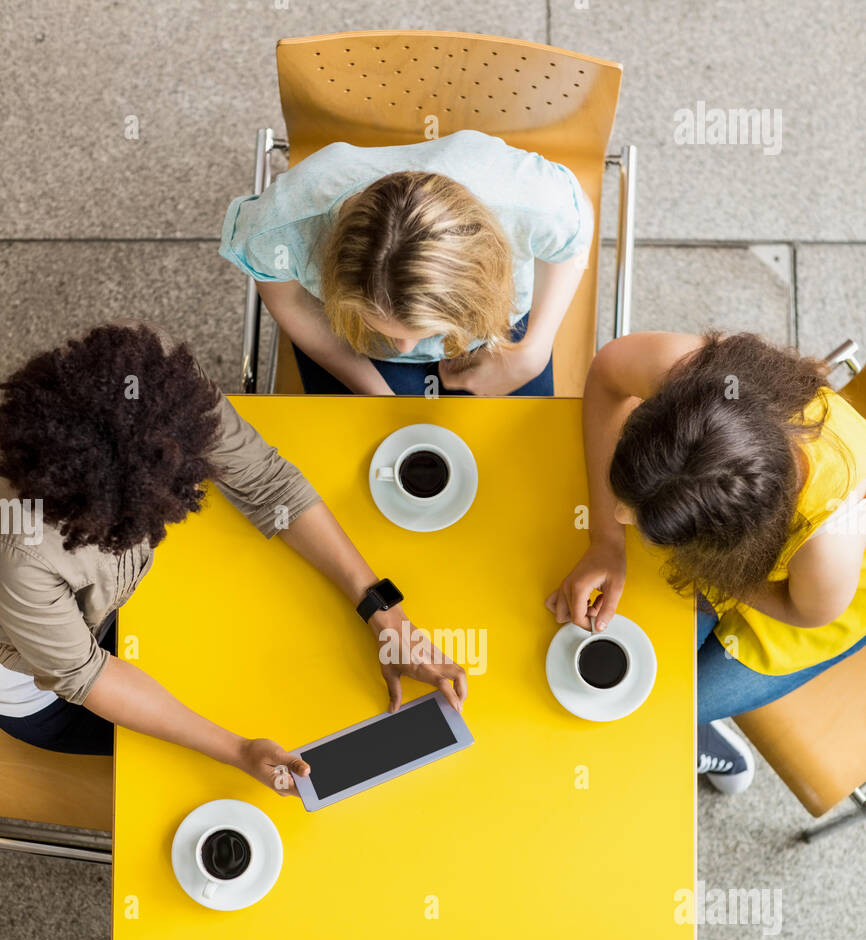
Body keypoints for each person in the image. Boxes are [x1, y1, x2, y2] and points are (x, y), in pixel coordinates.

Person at [0, 323, 466, 796]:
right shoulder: (22, 551)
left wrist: (388, 619)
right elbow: (87, 675)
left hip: (106, 610)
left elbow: (267, 482)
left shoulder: (157, 384)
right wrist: (239, 751)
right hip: (40, 687)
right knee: (167, 772)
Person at [546, 331, 866, 793]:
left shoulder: (828, 550)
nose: (621, 514)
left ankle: (689, 737)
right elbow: (608, 372)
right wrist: (605, 538)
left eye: (633, 513)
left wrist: (711, 576)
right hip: (722, 539)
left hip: (794, 607)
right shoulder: (698, 378)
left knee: (661, 705)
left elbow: (804, 611)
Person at [220, 129, 593, 398]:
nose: (404, 348)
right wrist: (373, 391)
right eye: (391, 328)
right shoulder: (285, 222)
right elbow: (289, 300)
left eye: (418, 332)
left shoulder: (528, 201)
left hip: (491, 324)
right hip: (350, 343)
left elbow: (576, 232)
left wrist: (535, 349)